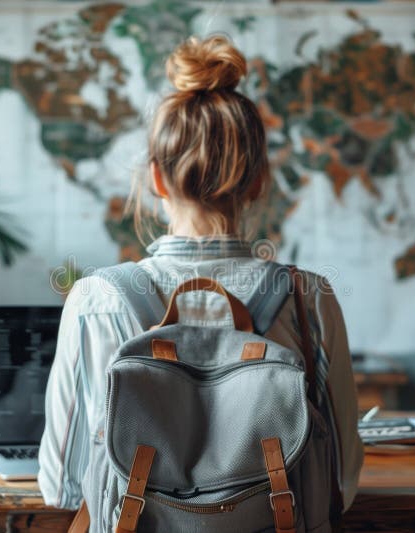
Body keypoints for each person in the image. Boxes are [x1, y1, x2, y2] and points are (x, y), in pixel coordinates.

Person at [38, 34, 363, 517]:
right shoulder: (307, 297)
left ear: (157, 179)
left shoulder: (96, 299)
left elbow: (61, 489)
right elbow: (341, 482)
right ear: (258, 182)